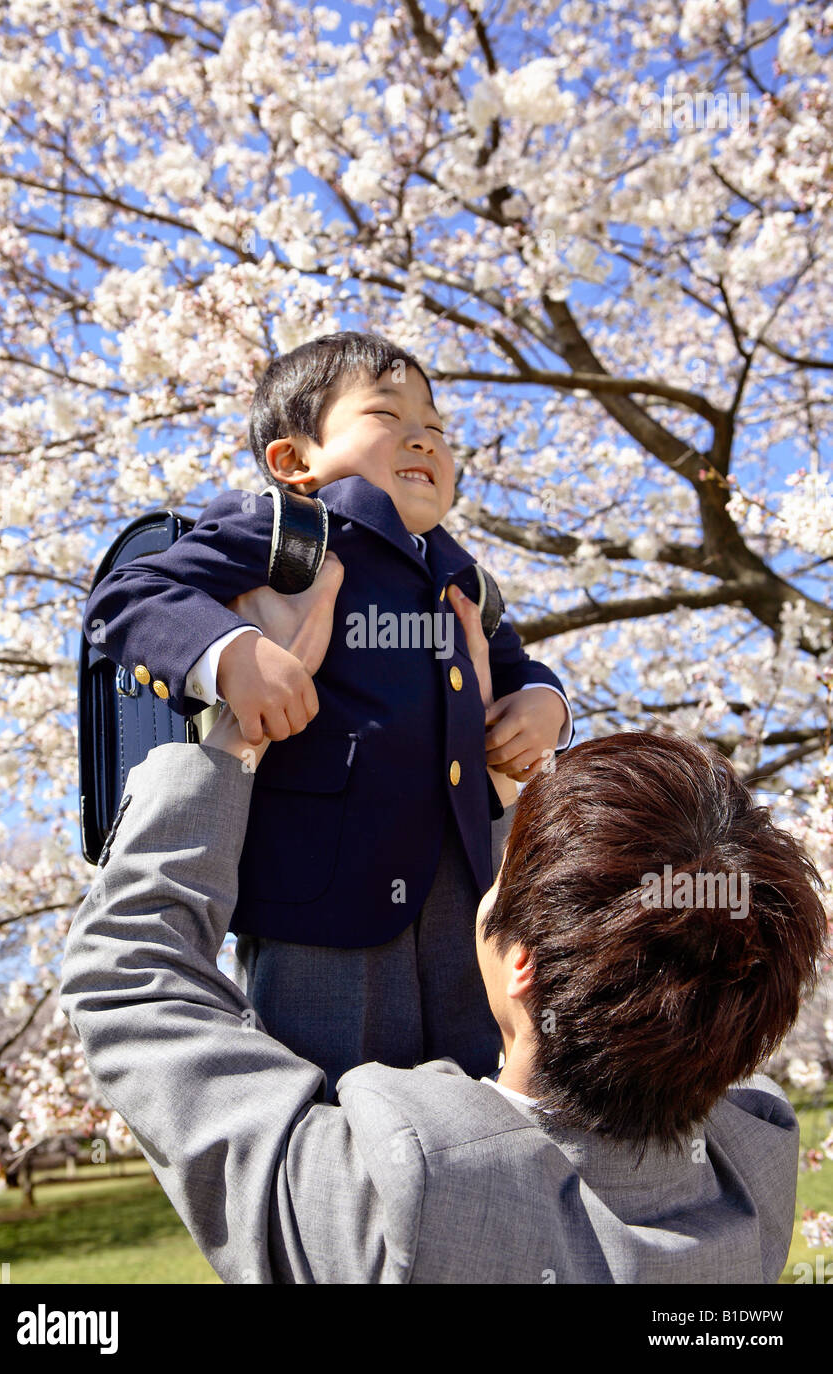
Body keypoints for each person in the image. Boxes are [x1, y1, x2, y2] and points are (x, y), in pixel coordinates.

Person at [61, 567, 828, 1285]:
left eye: (502, 877)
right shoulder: (751, 1165)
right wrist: (484, 787)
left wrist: (236, 739)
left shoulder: (401, 1199)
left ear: (524, 965)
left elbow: (129, 979)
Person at [81, 330, 573, 1094]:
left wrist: (546, 706)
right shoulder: (288, 532)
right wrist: (233, 653)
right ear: (293, 461)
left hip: (464, 902)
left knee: (484, 1099)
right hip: (322, 901)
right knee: (338, 1100)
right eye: (386, 414)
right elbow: (128, 595)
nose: (424, 437)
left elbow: (518, 671)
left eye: (436, 426)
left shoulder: (466, 581)